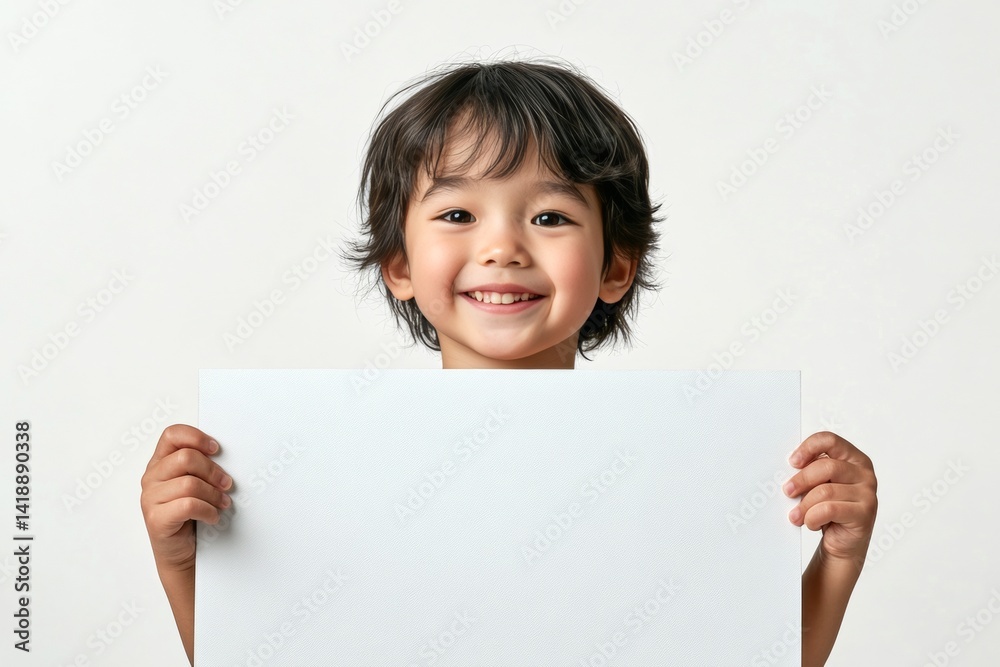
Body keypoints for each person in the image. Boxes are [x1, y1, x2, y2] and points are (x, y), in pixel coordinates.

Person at [140, 56, 877, 666]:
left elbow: (739, 652)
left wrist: (838, 556)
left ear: (617, 264)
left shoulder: (677, 466)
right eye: (458, 214)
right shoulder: (322, 468)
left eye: (550, 216)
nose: (503, 246)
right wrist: (181, 560)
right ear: (399, 261)